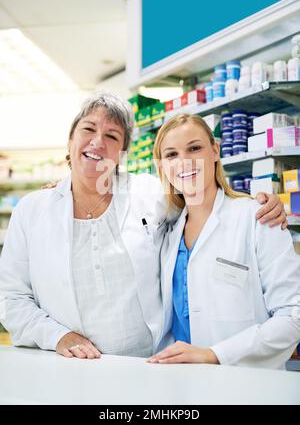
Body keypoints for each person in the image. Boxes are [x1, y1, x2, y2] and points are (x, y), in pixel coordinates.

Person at [0, 93, 287, 360]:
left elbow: (202, 200)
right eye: (88, 129)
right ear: (70, 140)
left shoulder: (149, 194)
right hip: (69, 364)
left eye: (112, 136)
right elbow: (10, 298)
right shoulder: (32, 210)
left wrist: (258, 202)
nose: (98, 142)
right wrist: (58, 336)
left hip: (147, 364)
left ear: (122, 154)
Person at [147, 113, 300, 369]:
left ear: (215, 151)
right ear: (161, 166)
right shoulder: (168, 232)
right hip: (179, 381)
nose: (184, 162)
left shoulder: (258, 217)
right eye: (171, 154)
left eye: (194, 148)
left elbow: (292, 315)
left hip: (246, 384)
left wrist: (215, 354)